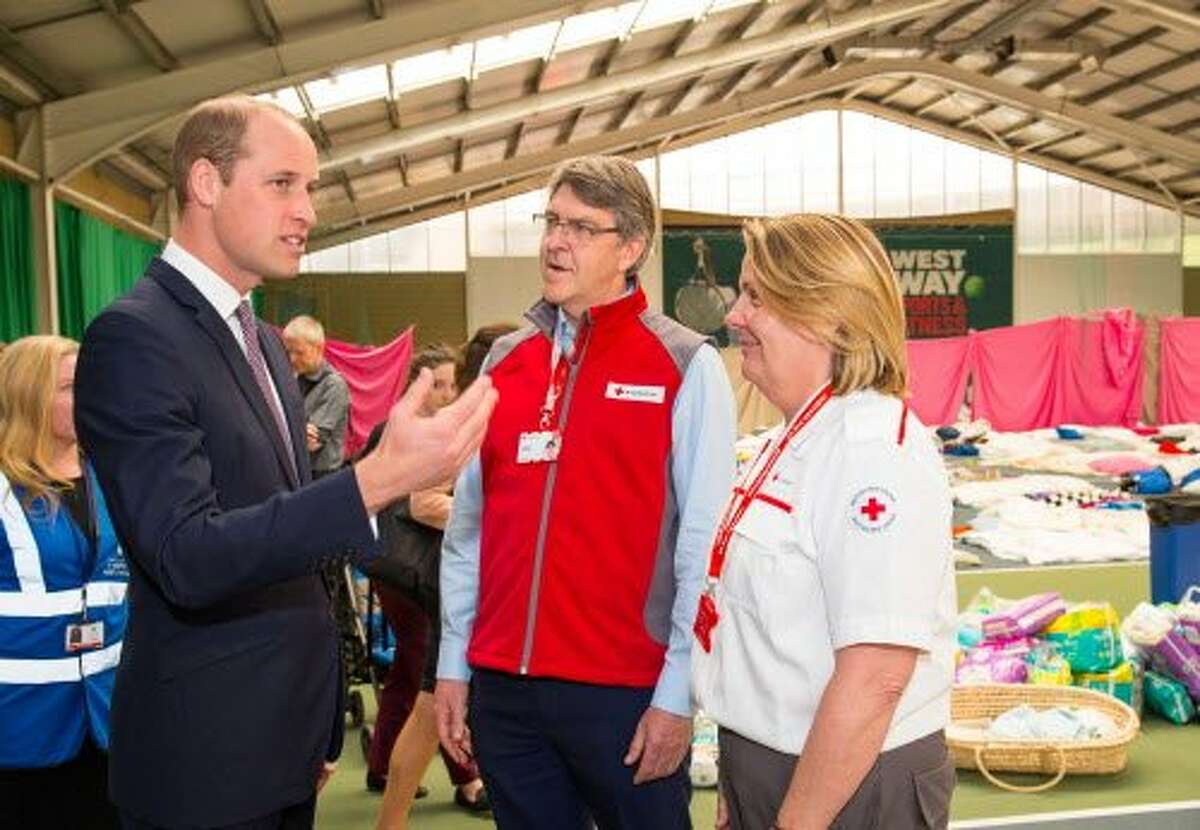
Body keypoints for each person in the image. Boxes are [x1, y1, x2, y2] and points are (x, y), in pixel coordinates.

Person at [73, 95, 495, 830]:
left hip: (284, 738)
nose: (307, 210)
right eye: (283, 184)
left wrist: (378, 472)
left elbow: (283, 522)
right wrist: (379, 478)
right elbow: (187, 556)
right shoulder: (134, 338)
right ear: (206, 182)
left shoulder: (262, 341)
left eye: (312, 188)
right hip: (204, 763)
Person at [434, 155, 737, 830]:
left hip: (624, 695)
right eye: (551, 220)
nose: (554, 241)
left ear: (630, 248)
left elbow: (703, 546)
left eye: (580, 227)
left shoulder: (687, 365)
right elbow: (469, 530)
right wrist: (454, 665)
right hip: (505, 692)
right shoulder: (505, 361)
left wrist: (677, 694)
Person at [691, 214, 956, 830]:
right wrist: (741, 776)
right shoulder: (793, 435)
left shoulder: (872, 451)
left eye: (756, 296)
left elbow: (875, 676)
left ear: (829, 314)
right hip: (774, 763)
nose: (734, 316)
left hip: (846, 785)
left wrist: (794, 821)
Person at [0, 335, 128, 830]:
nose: (92, 395)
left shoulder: (112, 476)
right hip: (18, 735)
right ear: (31, 395)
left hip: (105, 725)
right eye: (73, 386)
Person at [367, 344, 489, 823]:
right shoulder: (457, 434)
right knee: (427, 699)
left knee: (427, 698)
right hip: (437, 581)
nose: (446, 392)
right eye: (437, 383)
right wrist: (501, 521)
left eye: (449, 383)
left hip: (442, 583)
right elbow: (422, 503)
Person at [282, 314, 351, 478]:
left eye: (299, 352)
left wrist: (287, 428)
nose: (292, 359)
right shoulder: (294, 379)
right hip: (299, 471)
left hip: (322, 476)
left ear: (319, 348)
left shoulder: (334, 385)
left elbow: (312, 443)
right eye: (288, 351)